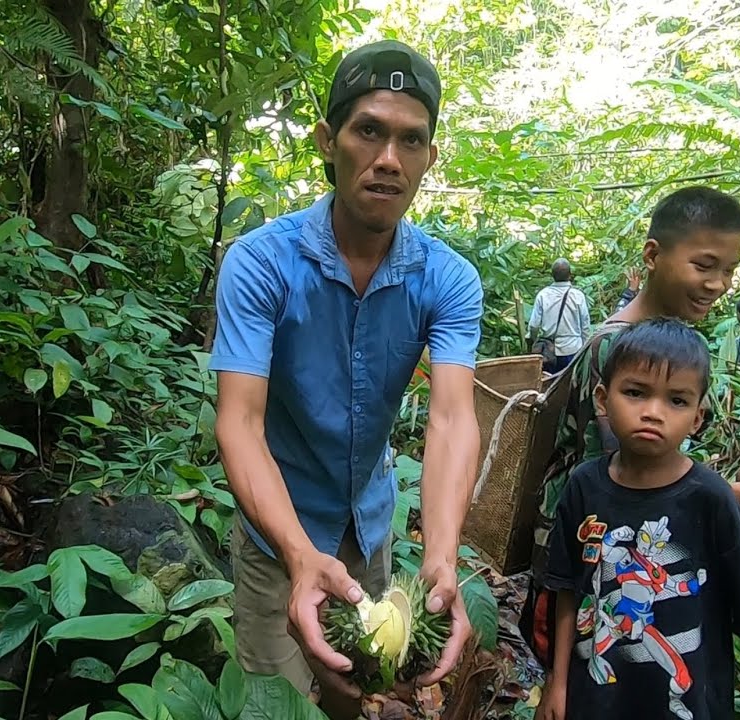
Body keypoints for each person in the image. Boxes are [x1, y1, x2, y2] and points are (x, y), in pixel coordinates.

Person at [210, 39, 481, 717]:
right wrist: (299, 555)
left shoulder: (446, 279)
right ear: (329, 141)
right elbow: (240, 421)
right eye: (369, 131)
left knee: (356, 688)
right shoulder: (261, 265)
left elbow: (451, 418)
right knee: (276, 697)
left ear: (430, 157)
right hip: (280, 532)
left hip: (368, 528)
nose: (389, 159)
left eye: (411, 140)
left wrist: (442, 558)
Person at [521, 187, 740, 668]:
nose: (718, 283)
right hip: (584, 558)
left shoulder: (674, 346)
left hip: (628, 558)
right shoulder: (613, 349)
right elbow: (628, 479)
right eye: (704, 265)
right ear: (653, 255)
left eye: (729, 270)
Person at [535, 318, 740, 720]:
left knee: (674, 665)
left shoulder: (709, 497)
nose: (653, 412)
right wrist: (558, 683)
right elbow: (568, 590)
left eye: (677, 400)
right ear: (603, 399)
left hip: (689, 708)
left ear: (698, 417)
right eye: (635, 393)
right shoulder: (585, 485)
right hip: (595, 702)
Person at [529, 258, 592, 373]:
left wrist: (535, 341)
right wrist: (585, 348)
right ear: (570, 275)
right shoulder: (578, 296)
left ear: (552, 275)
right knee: (569, 386)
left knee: (548, 385)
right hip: (572, 350)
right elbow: (585, 326)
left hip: (548, 352)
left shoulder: (543, 295)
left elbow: (534, 325)